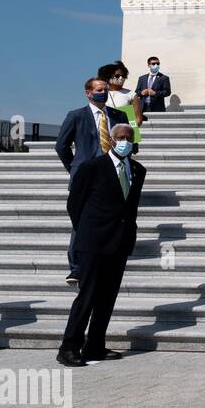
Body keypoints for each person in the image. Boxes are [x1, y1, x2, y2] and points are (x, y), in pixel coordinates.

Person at [56, 122, 144, 367]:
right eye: (122, 137)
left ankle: (95, 345)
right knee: (88, 296)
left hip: (120, 241)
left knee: (107, 297)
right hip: (94, 241)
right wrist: (88, 230)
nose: (126, 141)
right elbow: (75, 203)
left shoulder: (137, 169)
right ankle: (69, 347)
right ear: (112, 140)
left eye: (130, 137)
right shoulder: (92, 167)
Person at [56, 77, 123, 284]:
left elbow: (131, 142)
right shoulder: (76, 115)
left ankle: (104, 258)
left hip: (111, 176)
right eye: (99, 89)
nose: (103, 92)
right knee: (81, 222)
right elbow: (61, 146)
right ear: (88, 93)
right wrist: (75, 168)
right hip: (85, 178)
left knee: (111, 219)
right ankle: (76, 267)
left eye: (105, 89)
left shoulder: (120, 115)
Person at [99, 62, 143, 129]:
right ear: (108, 77)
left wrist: (129, 131)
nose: (121, 78)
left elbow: (138, 119)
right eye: (117, 76)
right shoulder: (100, 93)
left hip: (123, 134)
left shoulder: (131, 94)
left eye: (123, 76)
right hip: (104, 133)